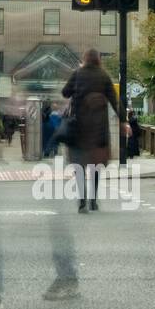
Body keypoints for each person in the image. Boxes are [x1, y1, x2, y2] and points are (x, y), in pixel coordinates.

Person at [60, 49, 129, 214]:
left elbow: (65, 92)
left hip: (79, 128)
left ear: (85, 59)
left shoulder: (78, 74)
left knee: (79, 165)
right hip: (99, 130)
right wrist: (124, 121)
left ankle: (82, 200)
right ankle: (93, 200)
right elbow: (115, 100)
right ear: (98, 60)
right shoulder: (103, 76)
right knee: (96, 165)